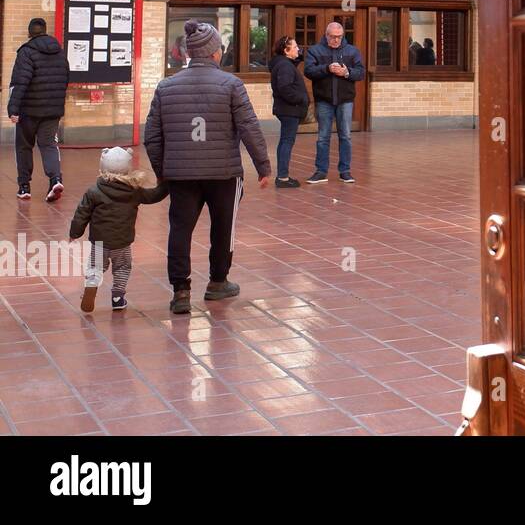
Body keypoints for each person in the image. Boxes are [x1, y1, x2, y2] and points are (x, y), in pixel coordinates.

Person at [143, 19, 271, 316]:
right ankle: (217, 282)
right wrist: (262, 165)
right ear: (214, 53)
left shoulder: (166, 86)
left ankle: (180, 292)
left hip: (181, 174)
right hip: (223, 173)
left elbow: (152, 136)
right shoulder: (231, 85)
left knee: (180, 228)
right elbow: (249, 126)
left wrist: (163, 170)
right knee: (223, 227)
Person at [70, 146, 168, 312]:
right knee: (122, 267)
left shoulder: (94, 191)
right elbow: (154, 196)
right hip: (122, 242)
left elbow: (81, 213)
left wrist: (74, 233)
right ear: (128, 168)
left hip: (100, 242)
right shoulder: (134, 192)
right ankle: (117, 297)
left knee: (95, 266)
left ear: (102, 167)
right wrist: (166, 185)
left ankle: (92, 284)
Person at [7, 17, 70, 202]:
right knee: (49, 145)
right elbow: (65, 78)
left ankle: (24, 187)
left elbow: (20, 82)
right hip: (52, 110)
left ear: (30, 33)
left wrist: (13, 109)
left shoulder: (26, 52)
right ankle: (55, 179)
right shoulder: (59, 52)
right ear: (44, 31)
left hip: (29, 111)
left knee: (24, 146)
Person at [304, 22, 366, 184]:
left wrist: (347, 72)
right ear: (326, 35)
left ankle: (345, 171)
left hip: (345, 100)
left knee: (345, 135)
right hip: (324, 100)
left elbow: (361, 73)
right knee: (323, 136)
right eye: (333, 37)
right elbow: (309, 71)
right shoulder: (315, 50)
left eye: (339, 37)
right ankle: (320, 171)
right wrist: (327, 69)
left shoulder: (352, 51)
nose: (336, 40)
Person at [269, 36, 310, 188]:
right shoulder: (285, 66)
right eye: (295, 47)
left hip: (287, 109)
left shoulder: (284, 64)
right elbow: (285, 88)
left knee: (285, 141)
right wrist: (301, 98)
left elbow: (296, 61)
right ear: (286, 50)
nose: (298, 49)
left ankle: (282, 175)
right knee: (287, 141)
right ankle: (283, 177)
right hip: (289, 110)